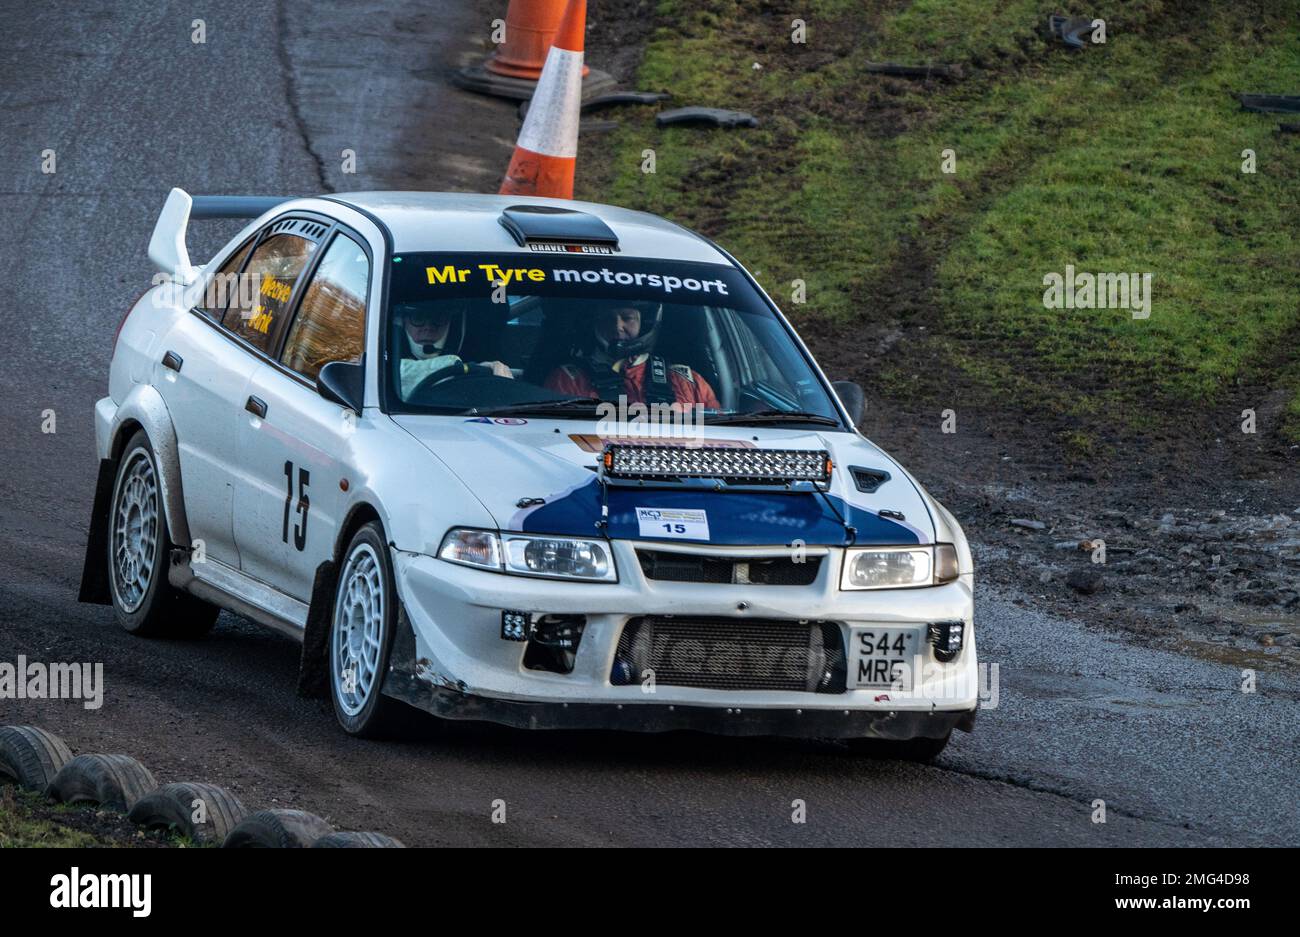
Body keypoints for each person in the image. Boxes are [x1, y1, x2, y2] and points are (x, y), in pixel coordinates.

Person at [544, 302, 721, 408]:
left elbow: (719, 432)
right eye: (608, 319)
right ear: (595, 324)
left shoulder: (687, 381)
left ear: (644, 323)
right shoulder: (568, 380)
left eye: (627, 318)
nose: (617, 327)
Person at [396, 300, 511, 398]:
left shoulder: (484, 366)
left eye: (438, 318)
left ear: (452, 323)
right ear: (403, 322)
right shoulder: (383, 358)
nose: (428, 328)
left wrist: (486, 372)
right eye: (418, 318)